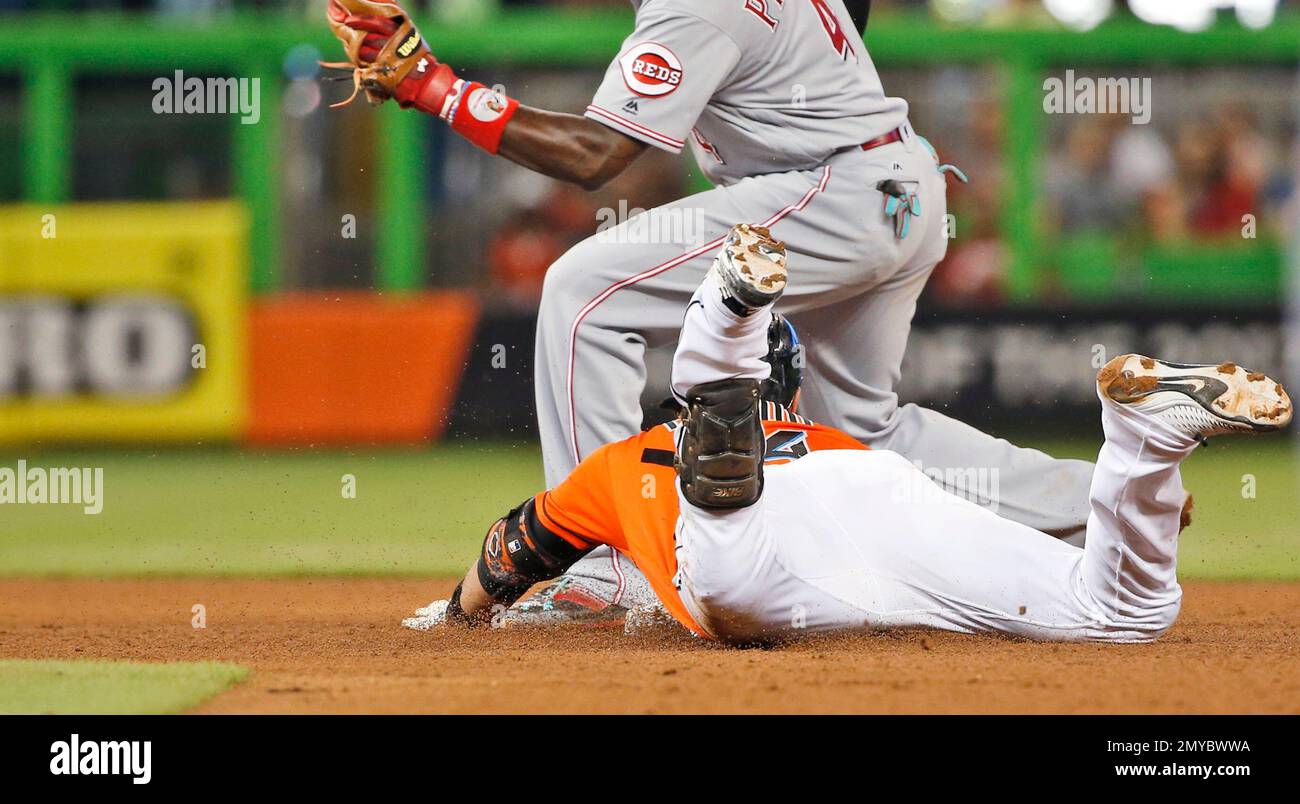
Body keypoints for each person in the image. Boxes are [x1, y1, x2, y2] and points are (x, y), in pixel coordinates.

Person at [322, 0, 1094, 623]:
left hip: (831, 190)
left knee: (583, 292)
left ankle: (603, 570)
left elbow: (596, 156)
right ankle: (1089, 499)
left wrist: (434, 86)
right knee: (861, 437)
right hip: (899, 185)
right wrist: (826, 84)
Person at [403, 224, 1291, 643]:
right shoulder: (848, 447)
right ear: (795, 388)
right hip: (880, 513)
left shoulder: (615, 466)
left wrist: (458, 615)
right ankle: (1142, 445)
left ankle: (721, 327)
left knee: (728, 585)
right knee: (1125, 616)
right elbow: (970, 516)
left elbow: (513, 548)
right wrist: (1105, 511)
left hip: (740, 533)